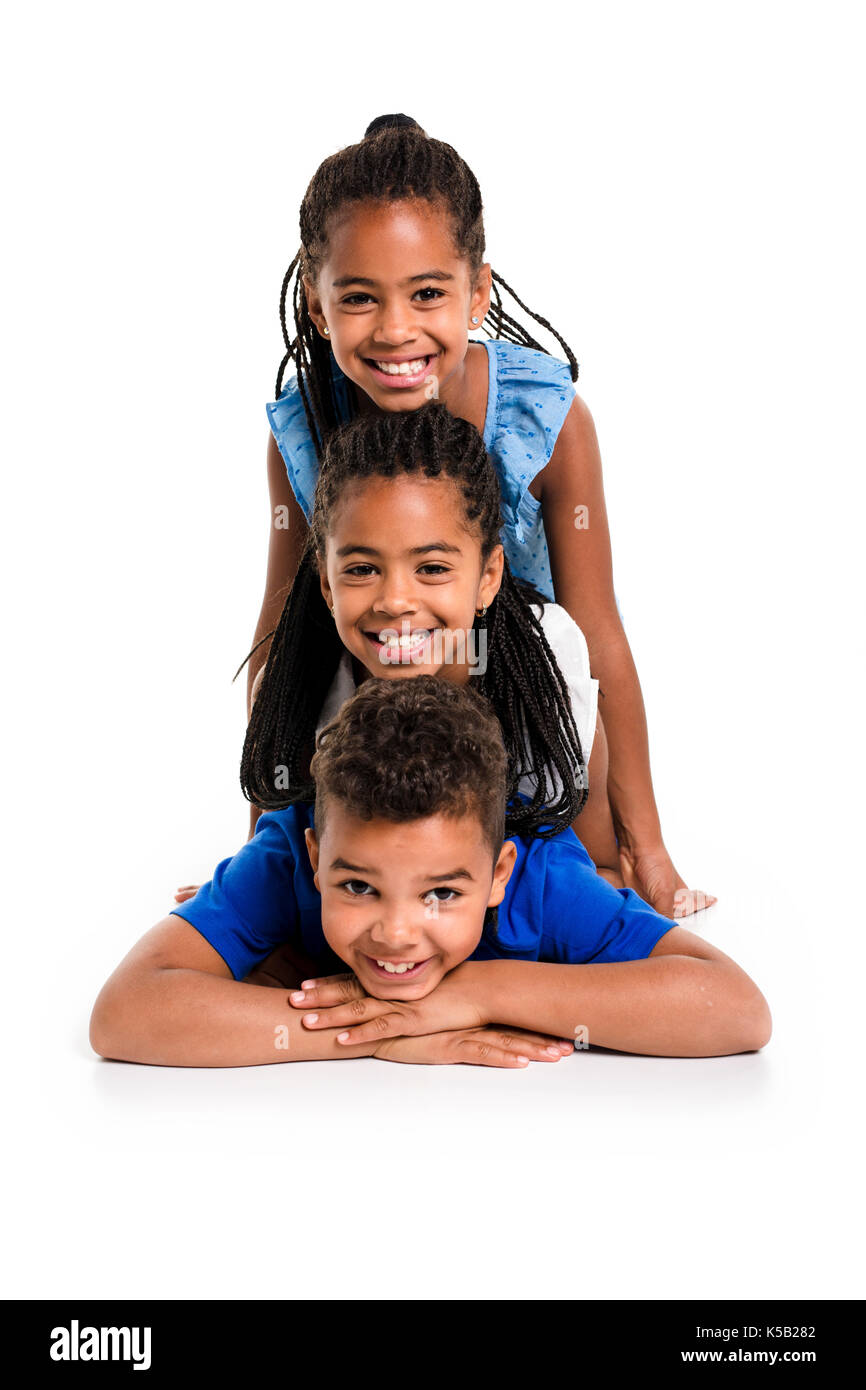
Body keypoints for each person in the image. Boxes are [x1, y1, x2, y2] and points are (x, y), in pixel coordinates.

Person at [250, 112, 713, 917]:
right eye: (359, 298)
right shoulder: (302, 429)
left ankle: (582, 872)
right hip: (374, 661)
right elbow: (279, 643)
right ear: (319, 310)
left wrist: (650, 849)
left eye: (427, 293)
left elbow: (597, 630)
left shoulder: (546, 418)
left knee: (567, 680)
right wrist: (259, 845)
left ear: (478, 292)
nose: (397, 330)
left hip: (508, 657)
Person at [91, 679, 769, 1068]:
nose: (396, 932)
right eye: (357, 886)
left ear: (498, 874)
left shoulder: (541, 883)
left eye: (442, 893)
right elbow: (123, 1014)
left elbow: (738, 1010)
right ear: (315, 856)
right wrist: (379, 1033)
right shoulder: (281, 861)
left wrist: (476, 991)